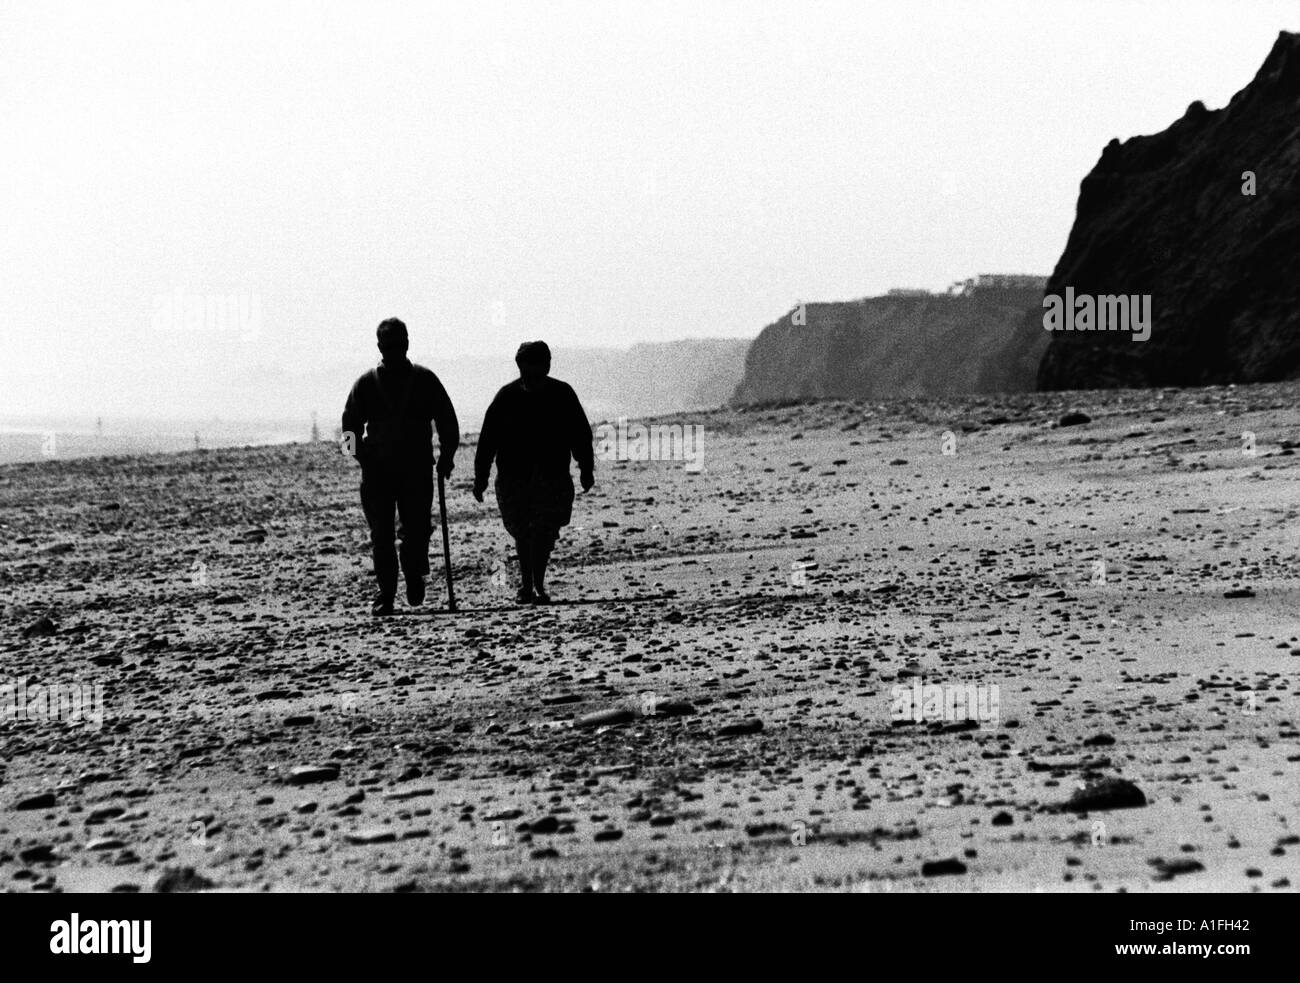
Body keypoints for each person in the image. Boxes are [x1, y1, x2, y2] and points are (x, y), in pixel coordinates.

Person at [342, 318, 459, 615]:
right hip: (377, 474)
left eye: (399, 343)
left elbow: (447, 420)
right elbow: (349, 430)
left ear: (407, 343)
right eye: (388, 345)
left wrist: (447, 455)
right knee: (381, 536)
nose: (394, 349)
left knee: (416, 532)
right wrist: (362, 459)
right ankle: (387, 594)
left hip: (417, 470)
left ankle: (415, 574)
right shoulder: (366, 384)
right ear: (380, 347)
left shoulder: (424, 379)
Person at [473, 341, 594, 604]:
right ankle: (528, 585)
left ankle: (536, 583)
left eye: (543, 363)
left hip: (552, 477)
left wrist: (586, 467)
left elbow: (580, 434)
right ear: (521, 366)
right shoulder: (506, 397)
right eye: (532, 364)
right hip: (514, 479)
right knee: (523, 532)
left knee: (544, 532)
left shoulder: (562, 394)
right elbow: (488, 440)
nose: (539, 369)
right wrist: (480, 477)